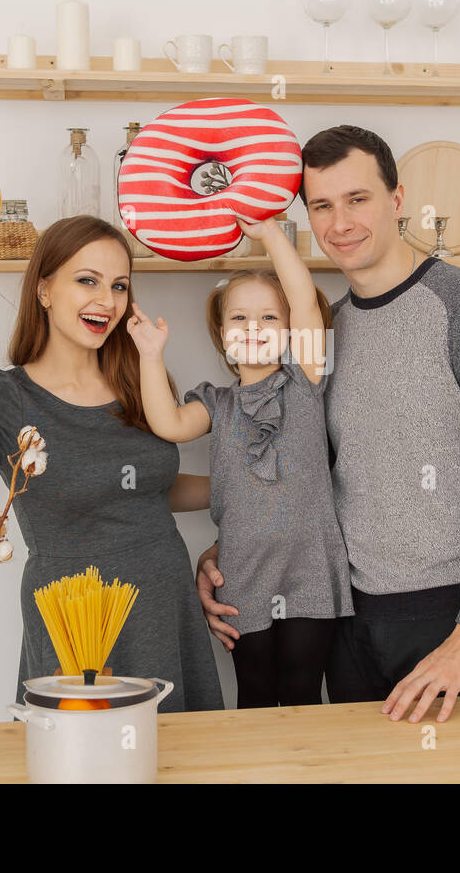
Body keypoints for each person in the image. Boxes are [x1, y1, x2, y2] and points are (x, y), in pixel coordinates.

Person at [196, 125, 460, 723]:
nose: (340, 222)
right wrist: (226, 553)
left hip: (448, 619)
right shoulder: (325, 335)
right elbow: (304, 475)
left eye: (357, 199)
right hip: (343, 616)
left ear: (397, 201)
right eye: (321, 205)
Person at [0, 214, 224, 712]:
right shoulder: (6, 398)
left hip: (165, 606)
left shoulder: (138, 379)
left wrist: (245, 491)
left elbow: (146, 490)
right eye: (87, 281)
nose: (107, 300)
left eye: (119, 285)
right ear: (44, 291)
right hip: (72, 618)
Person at [125, 218, 352, 707]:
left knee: (301, 692)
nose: (254, 328)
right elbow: (167, 424)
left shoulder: (307, 384)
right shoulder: (216, 404)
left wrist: (269, 234)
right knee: (252, 692)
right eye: (240, 319)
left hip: (311, 565)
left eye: (270, 318)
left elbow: (308, 305)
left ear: (290, 329)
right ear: (221, 333)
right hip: (242, 571)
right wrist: (148, 355)